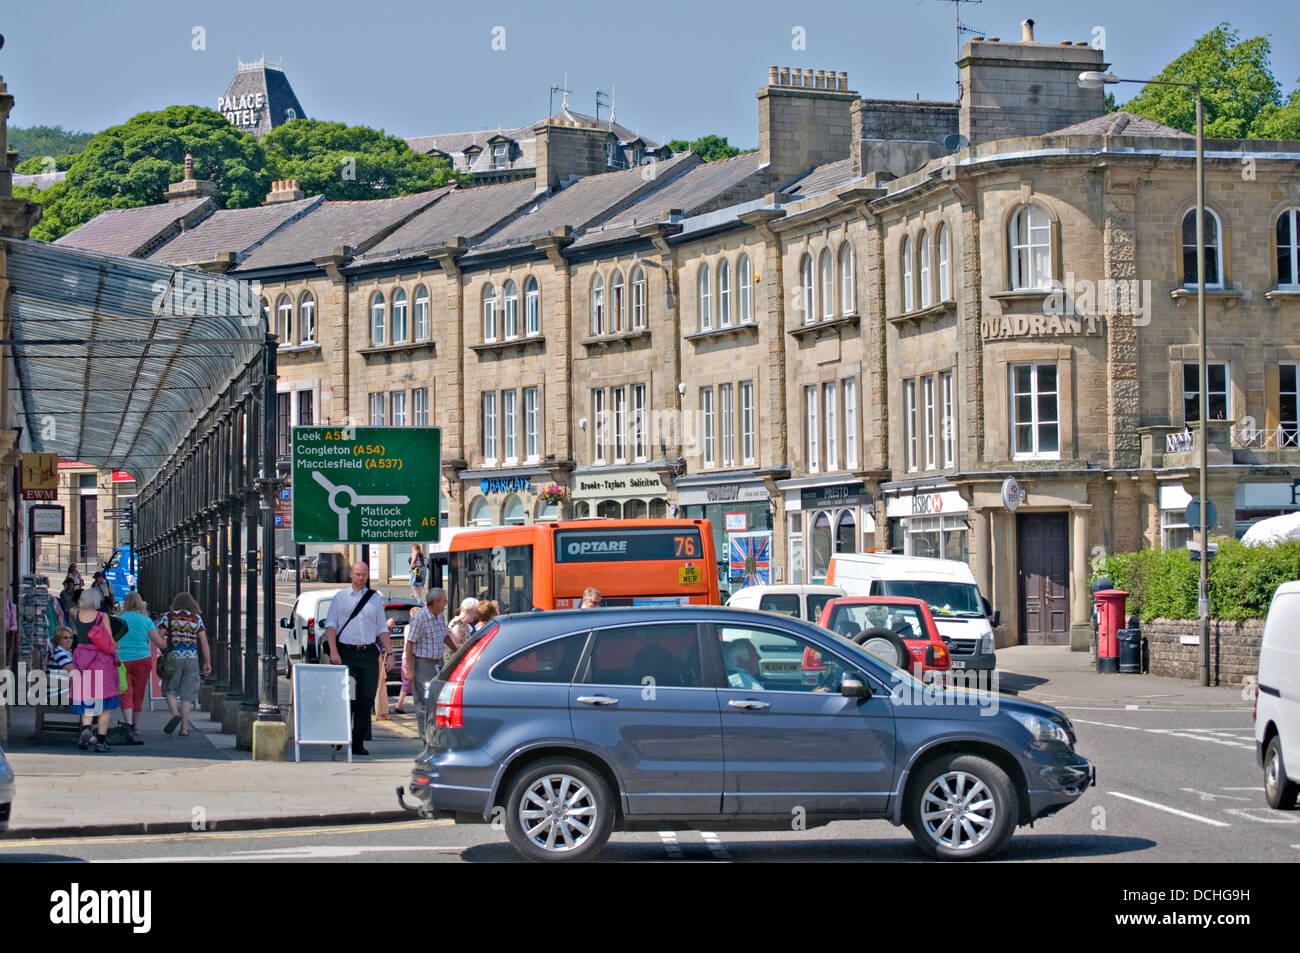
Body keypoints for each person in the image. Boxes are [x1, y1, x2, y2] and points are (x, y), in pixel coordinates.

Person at [323, 562, 393, 756]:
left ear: (367, 575)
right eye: (357, 574)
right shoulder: (340, 598)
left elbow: (381, 628)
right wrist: (334, 652)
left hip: (369, 653)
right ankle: (340, 736)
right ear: (351, 575)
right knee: (347, 698)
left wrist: (390, 653)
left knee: (366, 699)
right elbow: (331, 627)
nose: (361, 578)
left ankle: (357, 742)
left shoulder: (374, 600)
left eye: (364, 575)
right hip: (346, 652)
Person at [70, 588, 127, 752]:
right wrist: (115, 645)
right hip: (100, 661)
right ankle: (101, 742)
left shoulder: (77, 615)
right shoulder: (102, 617)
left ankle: (86, 729)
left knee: (87, 700)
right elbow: (108, 640)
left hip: (81, 659)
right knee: (104, 704)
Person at [157, 592, 211, 737]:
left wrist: (165, 645)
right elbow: (204, 642)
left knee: (170, 688)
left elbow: (159, 636)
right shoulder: (196, 618)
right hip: (192, 658)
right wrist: (207, 662)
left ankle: (175, 714)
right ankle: (184, 728)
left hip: (173, 658)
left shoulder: (168, 617)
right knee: (188, 694)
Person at [116, 592, 164, 744]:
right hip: (142, 659)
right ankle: (136, 726)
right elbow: (159, 642)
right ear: (140, 604)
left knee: (125, 692)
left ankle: (128, 723)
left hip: (122, 660)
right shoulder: (146, 620)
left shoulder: (119, 620)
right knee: (138, 694)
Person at [404, 588, 449, 726]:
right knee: (424, 701)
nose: (446, 603)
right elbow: (410, 644)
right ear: (434, 602)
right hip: (423, 663)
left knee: (437, 699)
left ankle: (435, 733)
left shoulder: (440, 615)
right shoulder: (420, 618)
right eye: (443, 600)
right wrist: (410, 670)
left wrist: (459, 651)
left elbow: (445, 636)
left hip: (438, 663)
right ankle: (426, 737)